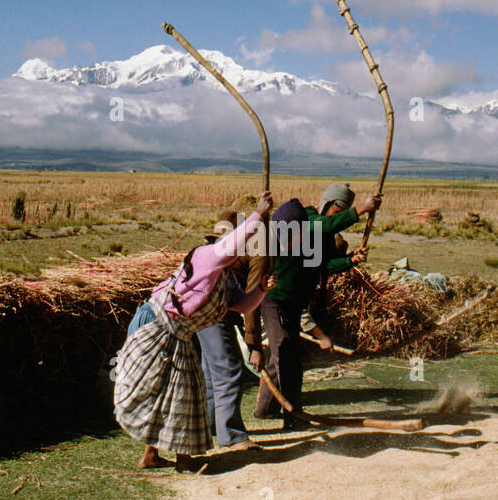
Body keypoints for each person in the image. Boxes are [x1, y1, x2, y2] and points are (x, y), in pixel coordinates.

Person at [114, 191, 273, 471]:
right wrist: (258, 215)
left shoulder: (226, 278)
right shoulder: (205, 257)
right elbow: (228, 247)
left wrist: (261, 289)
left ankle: (161, 457)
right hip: (156, 326)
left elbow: (243, 306)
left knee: (184, 393)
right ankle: (181, 460)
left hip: (178, 335)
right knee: (160, 391)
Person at [253, 183, 380, 428]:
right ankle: (294, 417)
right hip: (276, 300)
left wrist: (350, 260)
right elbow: (323, 225)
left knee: (280, 357)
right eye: (338, 211)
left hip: (293, 304)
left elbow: (324, 265)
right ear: (327, 205)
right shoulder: (307, 220)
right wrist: (361, 210)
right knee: (287, 359)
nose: (337, 216)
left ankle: (265, 409)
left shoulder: (322, 236)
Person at [196, 209, 271, 452]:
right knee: (228, 371)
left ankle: (209, 425)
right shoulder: (245, 257)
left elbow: (244, 301)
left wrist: (261, 290)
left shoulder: (210, 260)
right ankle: (231, 435)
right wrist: (254, 345)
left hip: (207, 319)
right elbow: (249, 309)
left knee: (211, 374)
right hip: (212, 319)